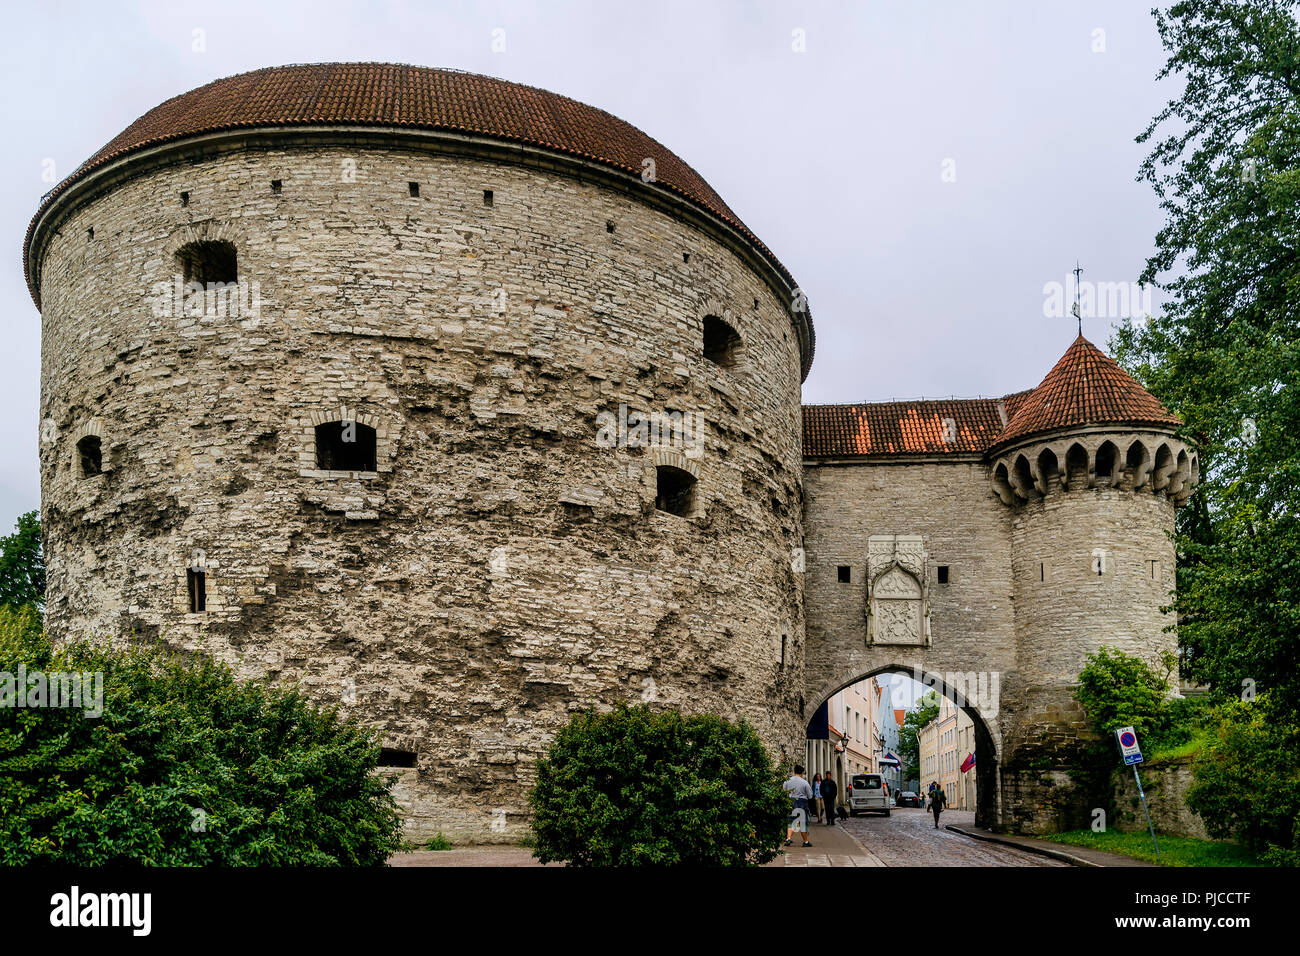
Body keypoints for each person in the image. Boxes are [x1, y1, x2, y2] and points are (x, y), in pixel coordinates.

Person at [782, 764, 814, 848]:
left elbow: (783, 790)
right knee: (802, 823)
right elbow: (810, 795)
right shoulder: (804, 782)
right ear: (802, 773)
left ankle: (788, 839)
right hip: (802, 803)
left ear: (794, 771)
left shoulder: (787, 781)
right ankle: (805, 841)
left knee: (791, 821)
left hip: (790, 801)